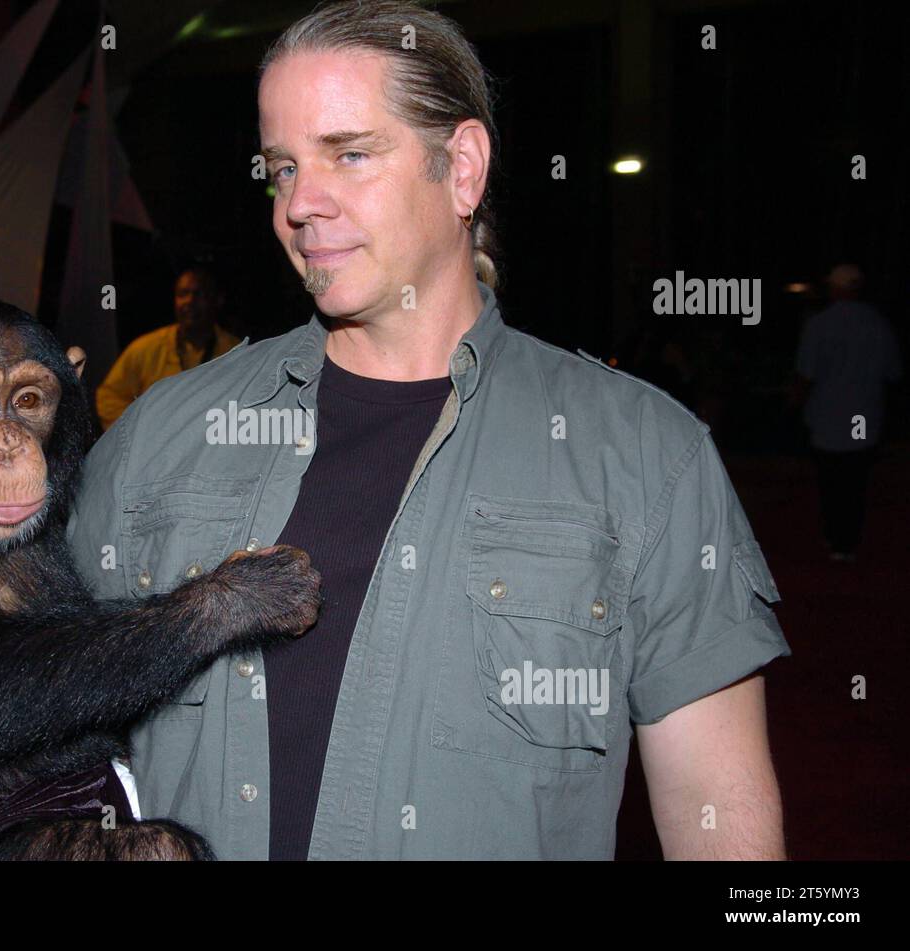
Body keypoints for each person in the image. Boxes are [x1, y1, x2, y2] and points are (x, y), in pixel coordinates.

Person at [68, 0, 791, 859]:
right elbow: (21, 717)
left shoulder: (642, 455)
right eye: (282, 167)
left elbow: (721, 818)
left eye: (351, 154)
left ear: (462, 168)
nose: (301, 204)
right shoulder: (161, 436)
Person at [794, 264, 902, 562]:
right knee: (855, 478)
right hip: (862, 417)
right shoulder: (878, 325)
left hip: (828, 416)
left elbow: (805, 373)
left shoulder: (820, 325)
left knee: (831, 479)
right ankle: (848, 538)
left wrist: (796, 405)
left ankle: (835, 535)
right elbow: (893, 373)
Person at [94, 266, 241, 430]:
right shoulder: (145, 348)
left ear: (218, 300)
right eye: (182, 294)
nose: (189, 302)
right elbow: (109, 396)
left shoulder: (237, 353)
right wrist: (135, 433)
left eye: (199, 294)